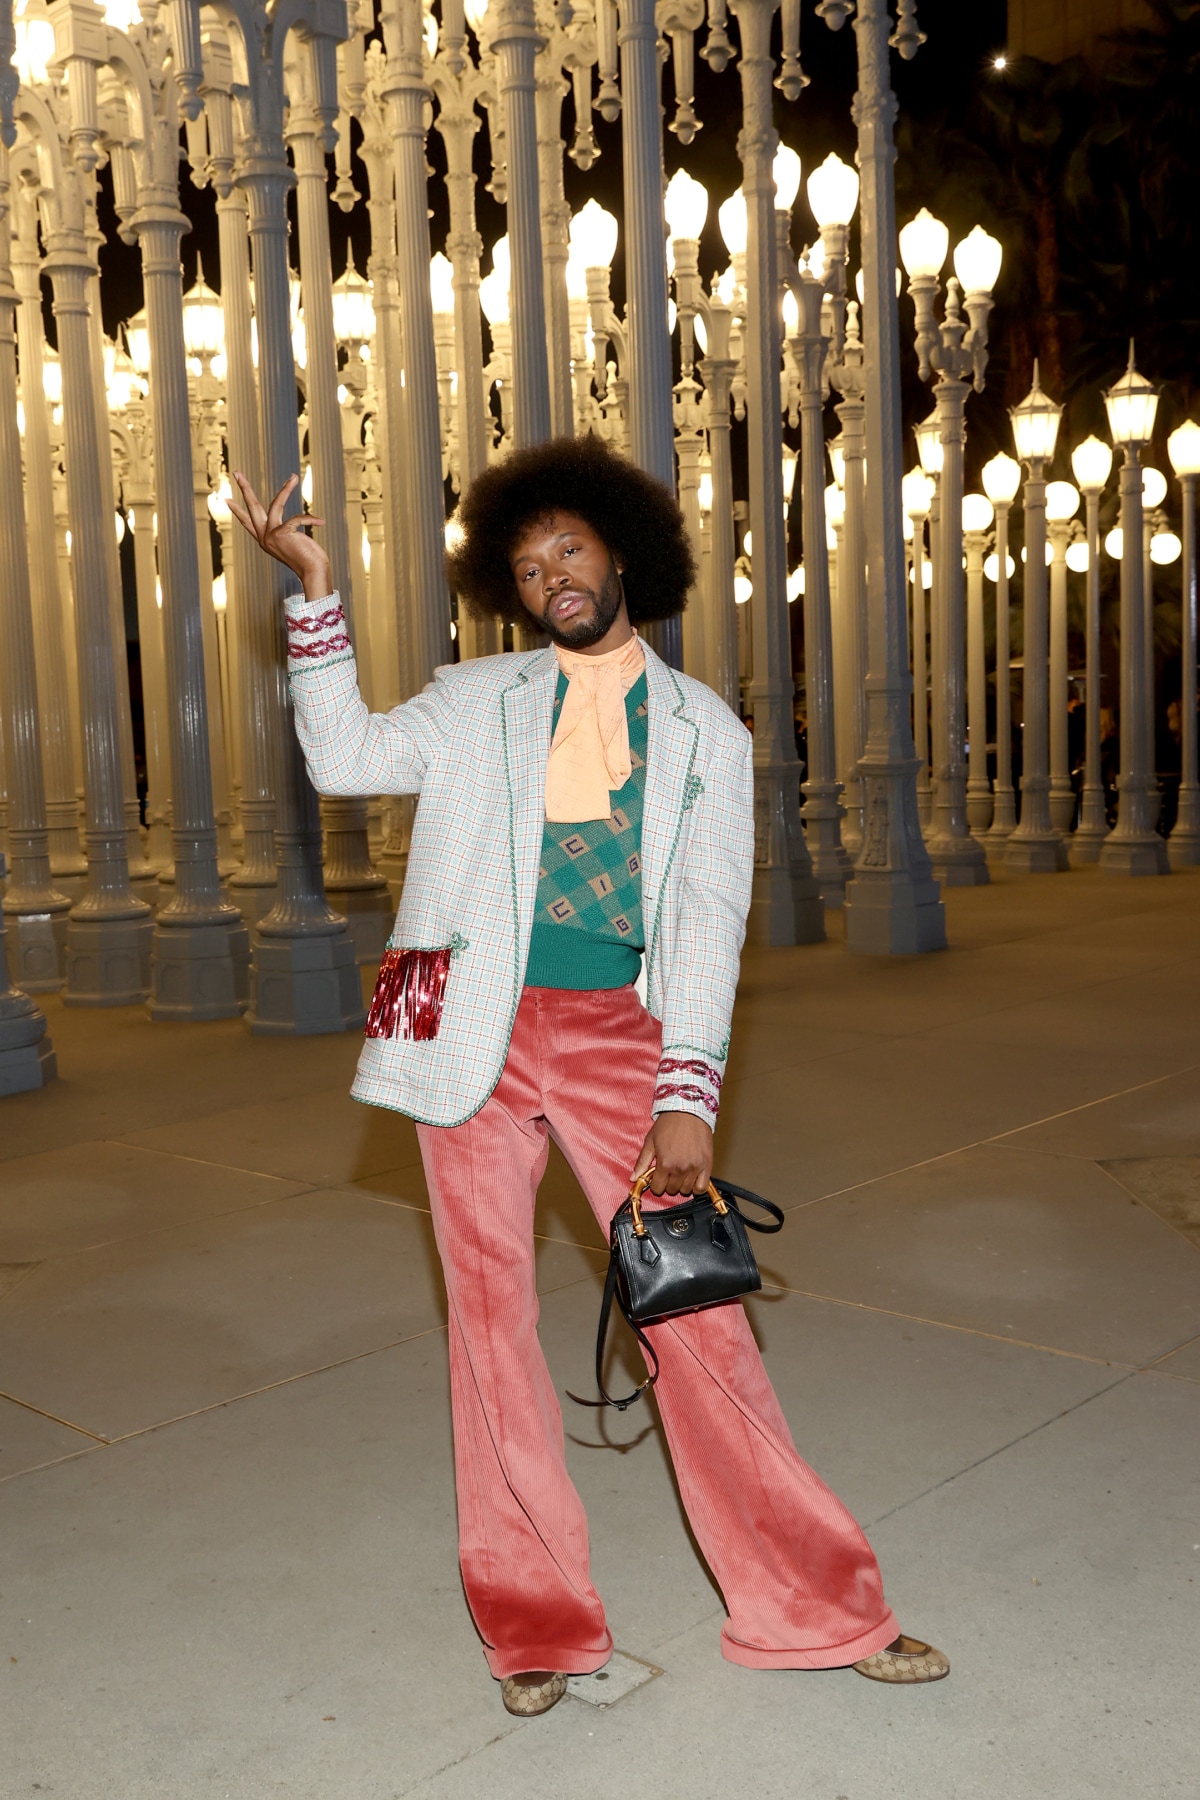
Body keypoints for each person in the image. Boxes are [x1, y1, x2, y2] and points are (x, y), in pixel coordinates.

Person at [229, 436, 948, 1716]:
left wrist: (687, 1091)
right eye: (527, 562)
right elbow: (343, 760)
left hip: (621, 1034)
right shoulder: (474, 697)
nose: (551, 573)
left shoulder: (704, 730)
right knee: (488, 1329)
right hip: (464, 1032)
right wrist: (314, 592)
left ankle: (816, 1606)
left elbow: (707, 919)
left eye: (569, 546)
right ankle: (537, 1626)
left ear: (622, 551)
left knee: (699, 1321)